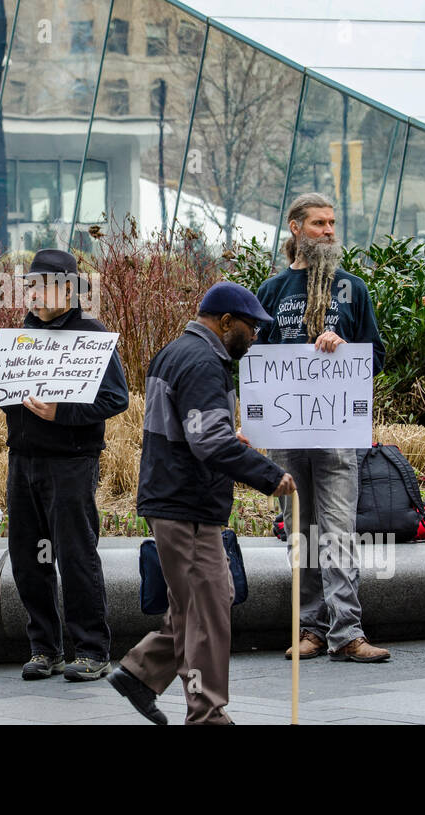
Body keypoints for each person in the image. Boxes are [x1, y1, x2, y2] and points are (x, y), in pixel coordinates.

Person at [108, 282, 295, 725]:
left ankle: (140, 672)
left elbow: (194, 430)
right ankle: (207, 714)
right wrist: (269, 475)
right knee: (207, 612)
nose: (255, 336)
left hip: (173, 497)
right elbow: (209, 441)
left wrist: (229, 439)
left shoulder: (174, 352)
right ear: (226, 322)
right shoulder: (207, 363)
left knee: (205, 600)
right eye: (250, 327)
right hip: (187, 504)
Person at [0, 248, 129, 682]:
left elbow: (115, 399)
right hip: (22, 459)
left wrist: (61, 414)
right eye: (29, 286)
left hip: (72, 462)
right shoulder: (20, 335)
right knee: (27, 558)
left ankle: (92, 650)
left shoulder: (91, 332)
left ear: (68, 289)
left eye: (43, 286)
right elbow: (19, 400)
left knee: (75, 555)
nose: (33, 294)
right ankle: (45, 648)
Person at [256, 192, 390, 664]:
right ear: (295, 229)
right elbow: (254, 363)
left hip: (336, 436)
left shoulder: (353, 288)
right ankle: (311, 629)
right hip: (288, 438)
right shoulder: (271, 292)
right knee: (301, 533)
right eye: (319, 224)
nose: (330, 231)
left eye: (333, 223)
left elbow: (376, 356)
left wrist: (346, 345)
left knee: (339, 531)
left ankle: (348, 631)